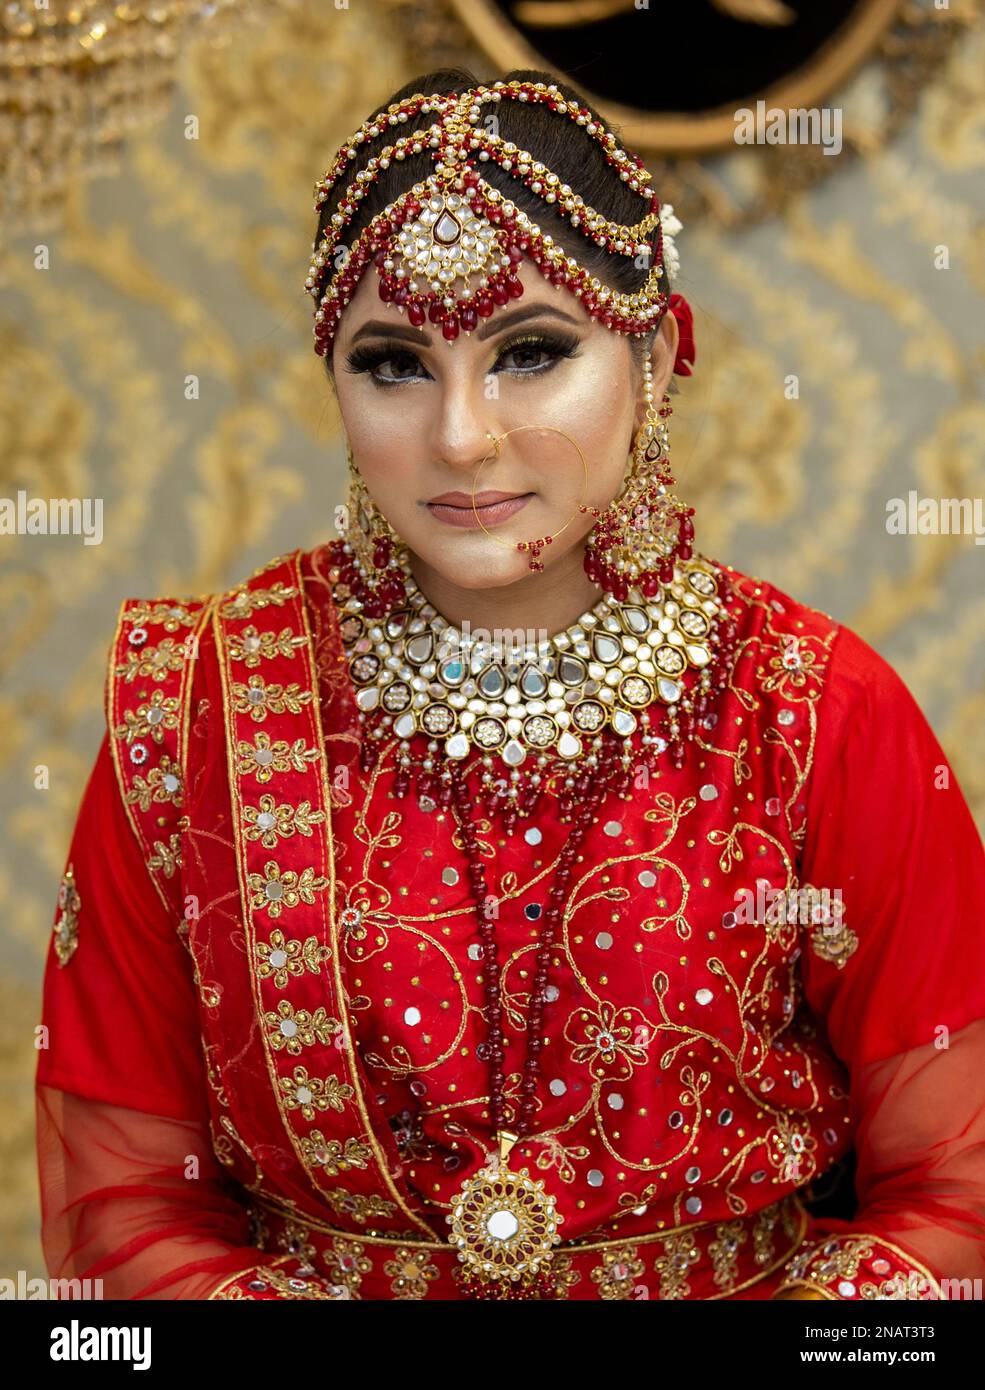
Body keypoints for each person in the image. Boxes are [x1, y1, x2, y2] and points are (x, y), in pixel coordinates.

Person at [35, 67, 985, 1302]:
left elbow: (953, 1193)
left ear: (651, 355)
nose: (463, 436)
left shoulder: (810, 709)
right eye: (393, 364)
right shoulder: (197, 710)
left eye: (530, 351)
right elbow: (128, 1208)